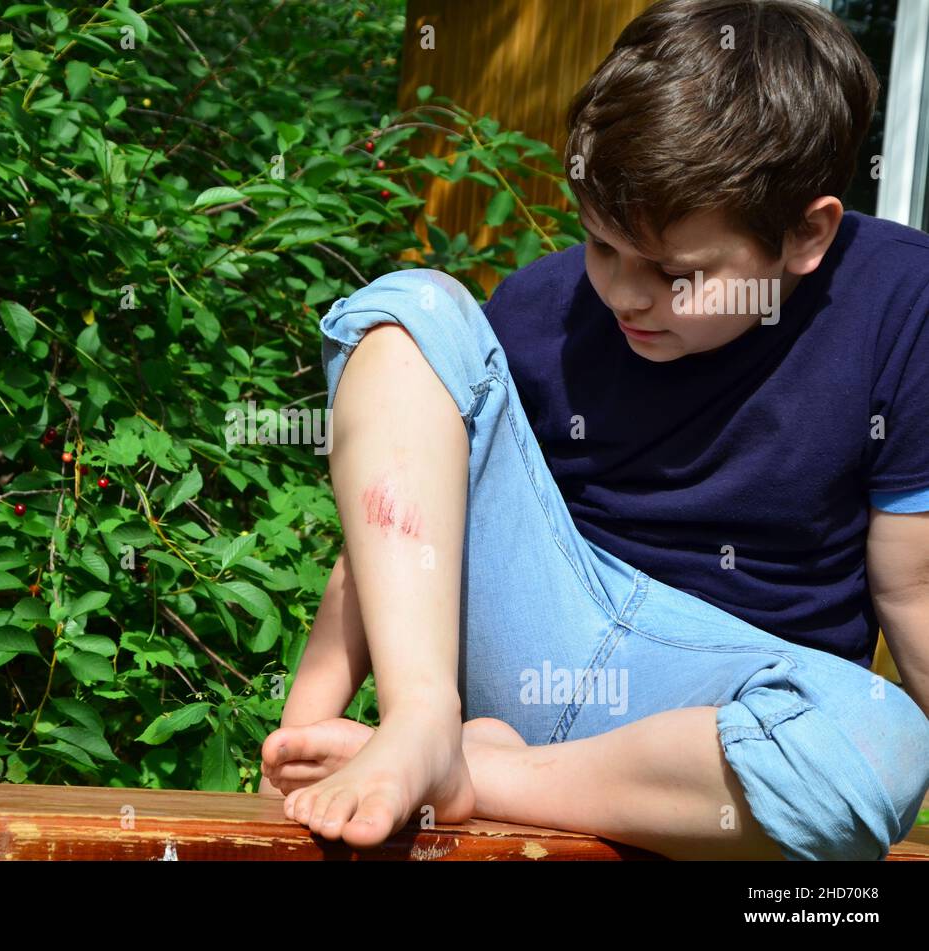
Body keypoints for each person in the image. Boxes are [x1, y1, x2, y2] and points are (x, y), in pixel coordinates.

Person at [257, 0, 929, 860]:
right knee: (405, 311)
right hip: (537, 624)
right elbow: (392, 531)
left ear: (807, 232)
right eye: (600, 246)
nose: (623, 293)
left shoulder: (899, 305)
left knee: (884, 743)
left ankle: (477, 773)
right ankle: (424, 723)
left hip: (710, 713)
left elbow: (910, 591)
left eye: (674, 273)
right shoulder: (545, 304)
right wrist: (298, 737)